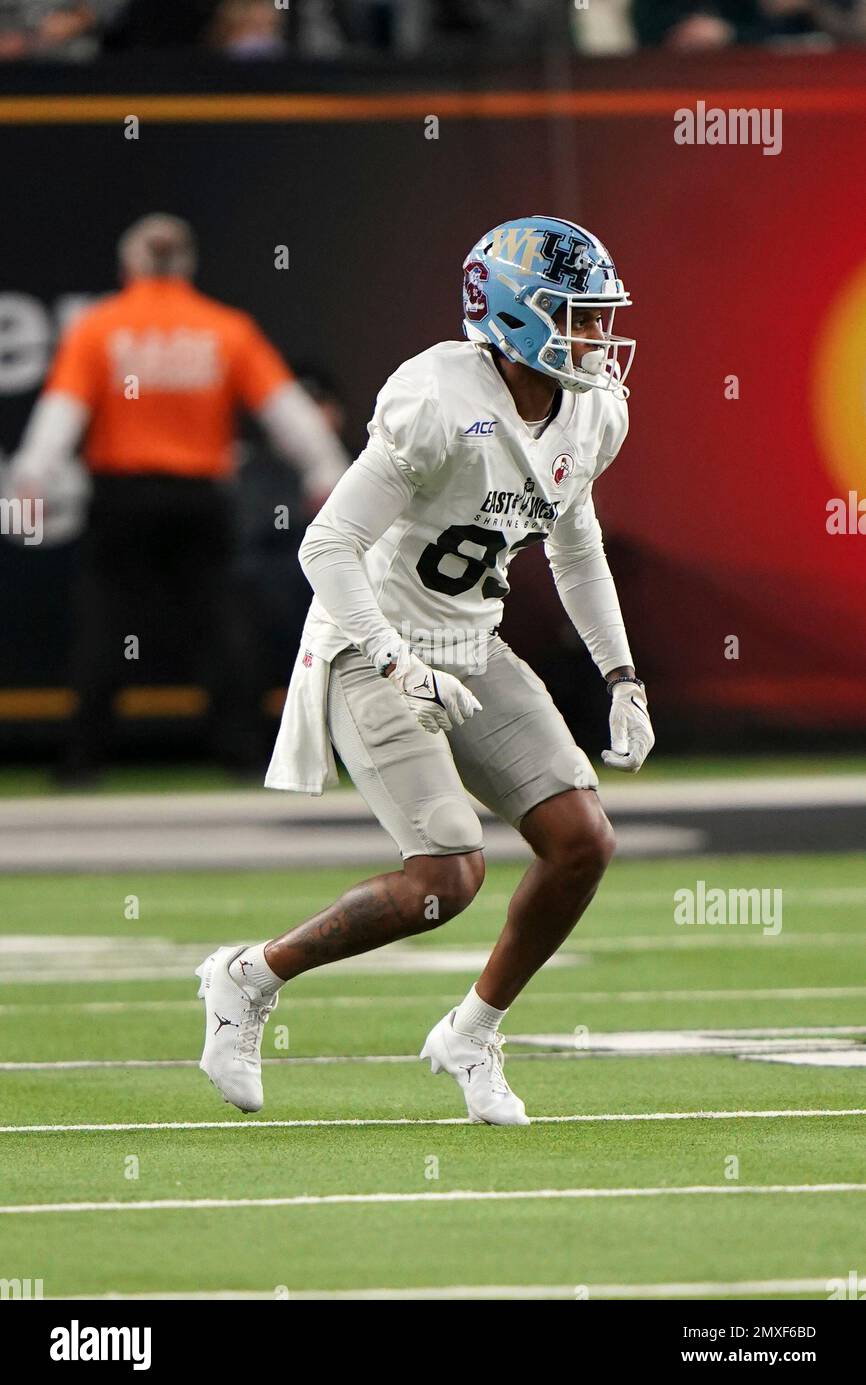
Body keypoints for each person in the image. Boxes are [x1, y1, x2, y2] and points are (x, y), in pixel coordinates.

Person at [195, 215, 655, 1126]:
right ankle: (249, 977)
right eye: (579, 316)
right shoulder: (439, 395)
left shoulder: (596, 410)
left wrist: (622, 676)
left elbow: (577, 546)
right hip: (371, 645)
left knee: (583, 840)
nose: (599, 338)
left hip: (472, 645)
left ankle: (473, 1033)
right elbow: (327, 545)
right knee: (446, 877)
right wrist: (399, 665)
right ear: (518, 319)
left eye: (602, 318)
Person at [9, 213, 348, 782]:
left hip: (122, 500)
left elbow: (58, 418)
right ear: (188, 265)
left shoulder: (100, 328)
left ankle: (82, 762)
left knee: (103, 627)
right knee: (221, 626)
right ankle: (243, 757)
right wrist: (326, 474)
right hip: (199, 503)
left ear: (129, 266)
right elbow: (289, 414)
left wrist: (29, 482)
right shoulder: (222, 328)